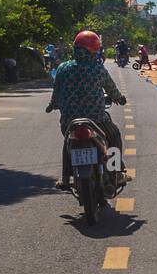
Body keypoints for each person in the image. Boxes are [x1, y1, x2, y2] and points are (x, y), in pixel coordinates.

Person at [46, 30, 127, 190]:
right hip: (97, 120)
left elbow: (56, 92)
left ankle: (65, 177)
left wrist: (52, 105)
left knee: (68, 142)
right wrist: (119, 99)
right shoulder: (97, 69)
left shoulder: (63, 68)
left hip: (70, 122)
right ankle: (115, 171)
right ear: (94, 50)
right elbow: (112, 90)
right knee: (114, 136)